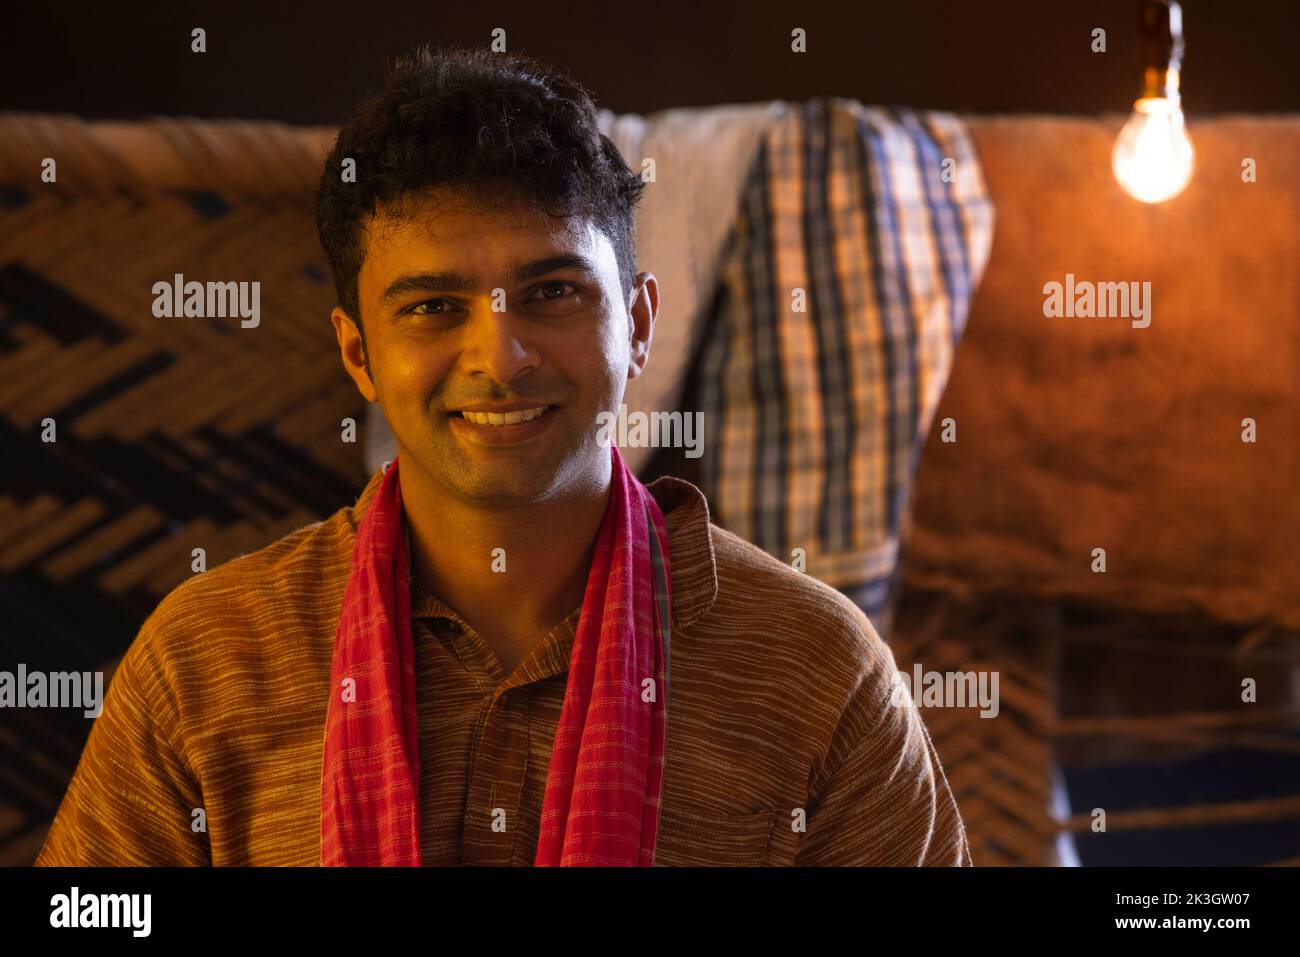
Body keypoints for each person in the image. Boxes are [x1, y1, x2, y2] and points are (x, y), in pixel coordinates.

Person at [36, 44, 971, 867]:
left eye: (553, 291)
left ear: (638, 324)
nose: (501, 356)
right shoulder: (208, 660)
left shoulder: (812, 668)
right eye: (433, 306)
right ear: (359, 351)